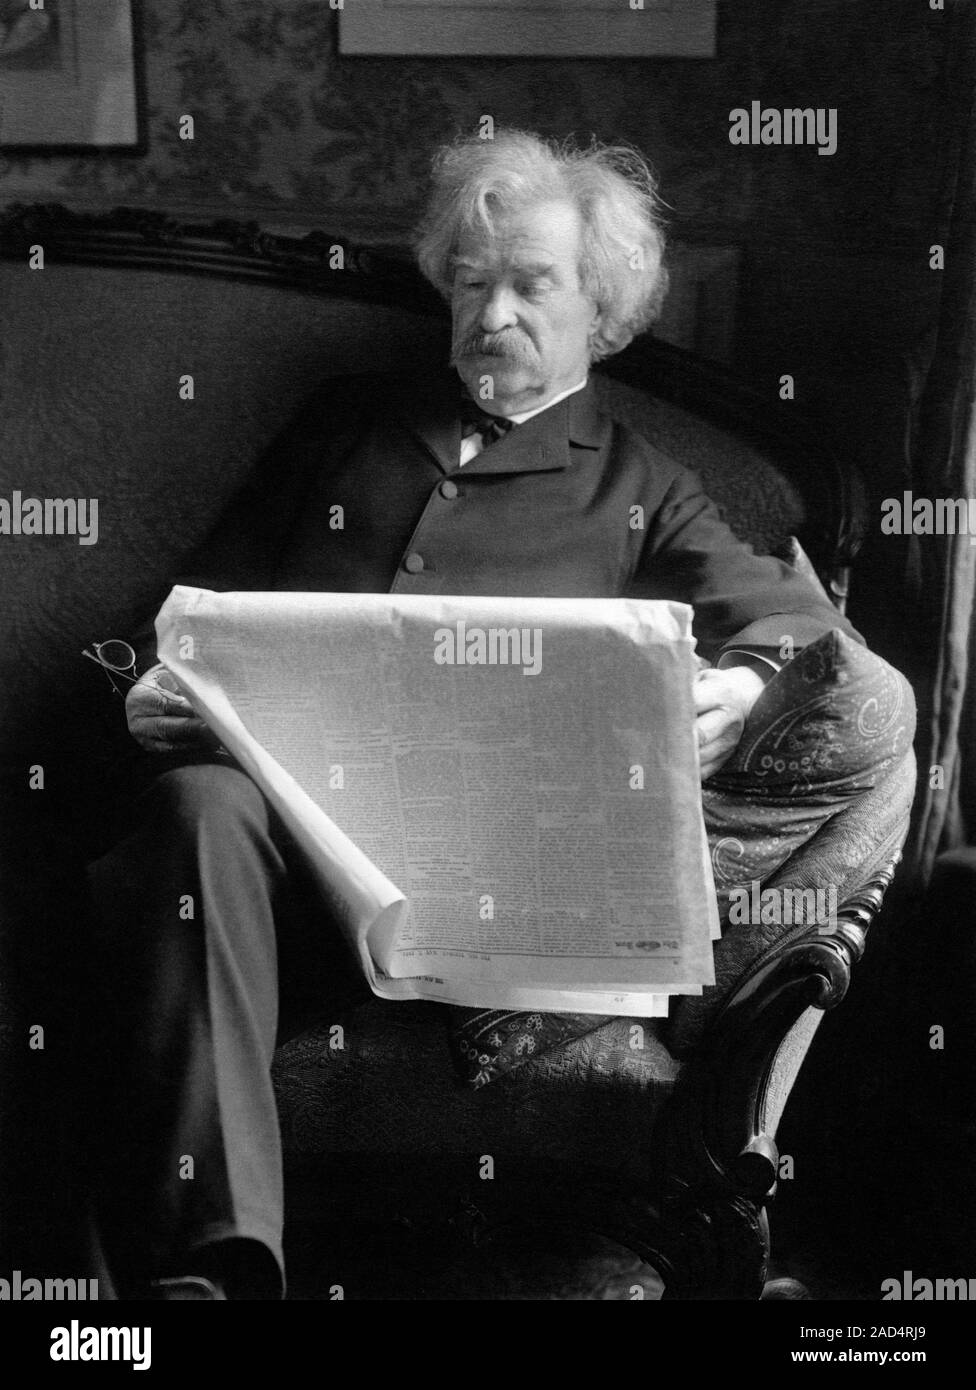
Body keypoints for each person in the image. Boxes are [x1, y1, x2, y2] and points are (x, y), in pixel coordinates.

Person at [86, 129, 861, 1300]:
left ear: (599, 309)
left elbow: (800, 627)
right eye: (469, 279)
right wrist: (143, 680)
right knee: (194, 804)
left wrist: (744, 686)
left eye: (529, 283)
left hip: (477, 891)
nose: (490, 313)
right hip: (268, 872)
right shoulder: (345, 421)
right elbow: (181, 613)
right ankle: (216, 1274)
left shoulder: (638, 482)